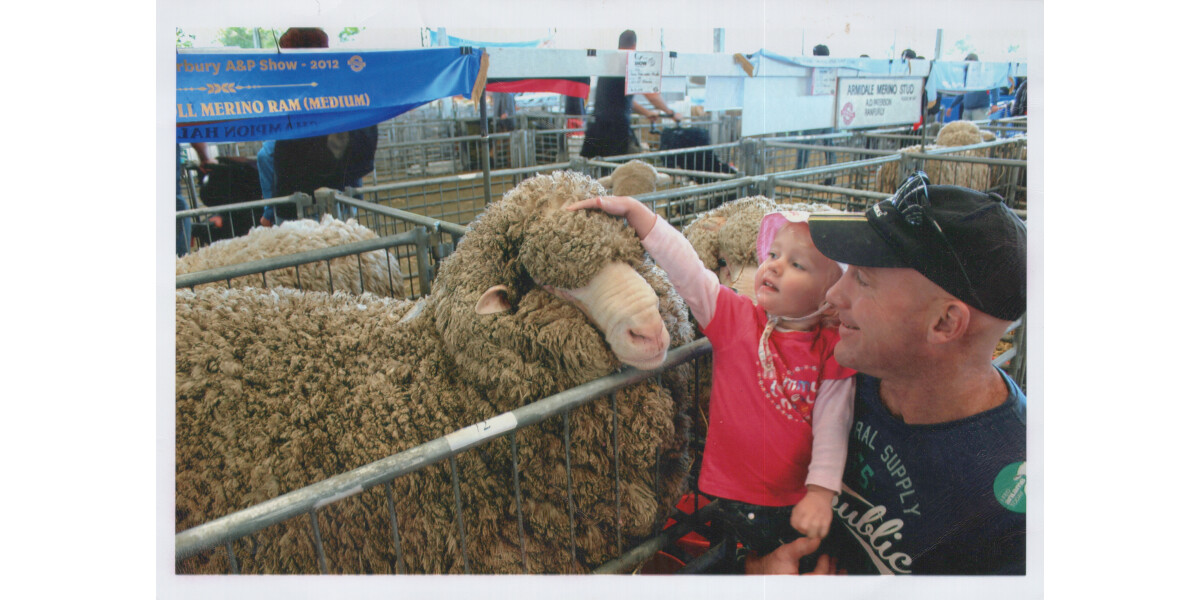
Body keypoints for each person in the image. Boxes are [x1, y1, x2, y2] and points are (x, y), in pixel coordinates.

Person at [565, 195, 857, 572]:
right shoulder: (735, 319)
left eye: (797, 264)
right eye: (773, 255)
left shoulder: (831, 350)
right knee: (742, 566)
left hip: (796, 503)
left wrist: (820, 492)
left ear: (829, 298)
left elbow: (834, 423)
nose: (774, 267)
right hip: (731, 500)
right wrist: (641, 217)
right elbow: (688, 270)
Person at [755, 172, 1027, 575]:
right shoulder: (838, 368)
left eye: (863, 280)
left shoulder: (1011, 499)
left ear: (945, 323)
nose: (834, 295)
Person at [261, 27, 379, 226]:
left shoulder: (303, 83)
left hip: (312, 188)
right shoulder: (340, 77)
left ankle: (270, 214)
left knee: (266, 154)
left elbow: (286, 153)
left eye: (287, 52)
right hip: (341, 181)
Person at [579, 30, 681, 158]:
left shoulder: (610, 64)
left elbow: (623, 100)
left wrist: (646, 113)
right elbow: (652, 97)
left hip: (596, 125)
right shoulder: (631, 62)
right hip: (615, 129)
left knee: (593, 169)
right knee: (614, 170)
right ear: (634, 46)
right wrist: (671, 113)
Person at [962, 53, 992, 121]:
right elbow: (963, 91)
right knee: (966, 130)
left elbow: (993, 86)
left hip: (980, 108)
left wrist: (995, 103)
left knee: (980, 128)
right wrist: (952, 106)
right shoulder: (966, 74)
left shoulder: (984, 72)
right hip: (967, 108)